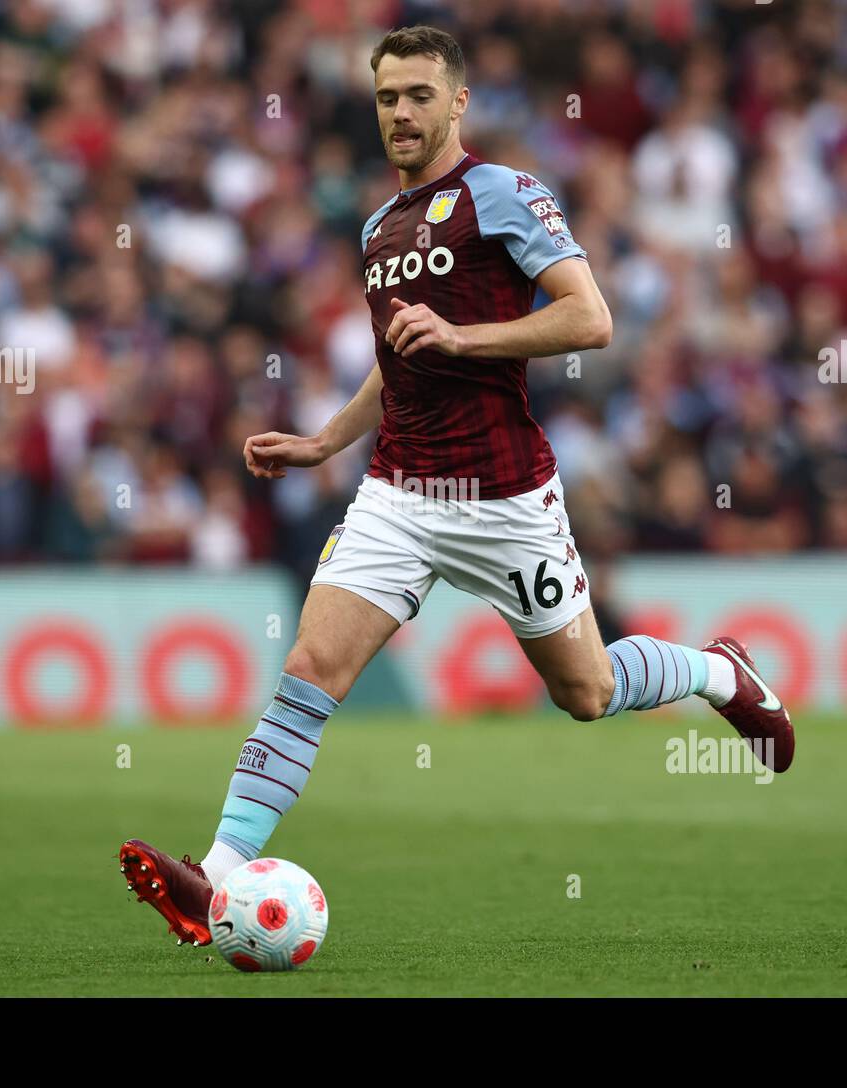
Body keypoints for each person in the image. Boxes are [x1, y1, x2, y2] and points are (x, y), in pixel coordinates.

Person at [118, 25, 794, 949]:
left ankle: (723, 674)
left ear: (457, 101)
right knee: (311, 669)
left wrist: (468, 338)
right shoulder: (377, 228)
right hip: (398, 492)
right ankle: (216, 880)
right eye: (389, 97)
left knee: (587, 693)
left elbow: (589, 319)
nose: (402, 112)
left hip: (506, 494)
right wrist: (324, 443)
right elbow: (398, 360)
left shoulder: (505, 194)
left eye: (419, 96)